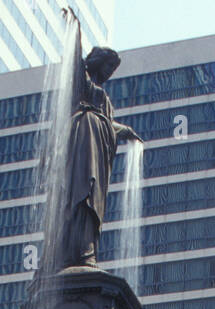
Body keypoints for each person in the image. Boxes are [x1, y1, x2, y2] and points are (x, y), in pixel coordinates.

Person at [54, 11, 142, 270]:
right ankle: (78, 253)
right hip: (83, 144)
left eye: (112, 70)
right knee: (80, 195)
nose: (109, 72)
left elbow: (109, 122)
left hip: (99, 149)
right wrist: (76, 32)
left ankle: (86, 250)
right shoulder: (82, 86)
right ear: (96, 62)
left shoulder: (102, 99)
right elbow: (74, 63)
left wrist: (123, 130)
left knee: (93, 199)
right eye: (107, 66)